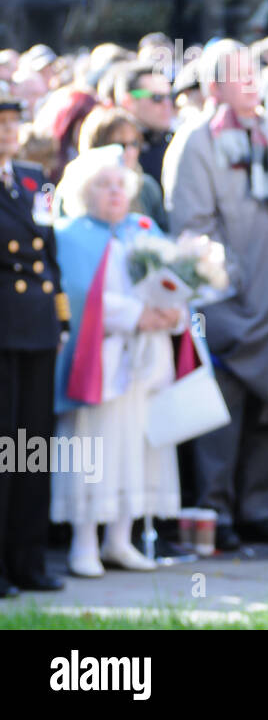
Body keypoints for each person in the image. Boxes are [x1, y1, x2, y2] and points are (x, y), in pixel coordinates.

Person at [163, 40, 268, 552]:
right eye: (239, 76)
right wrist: (236, 290)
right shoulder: (195, 142)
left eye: (253, 73)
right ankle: (216, 511)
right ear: (213, 86)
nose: (252, 83)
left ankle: (258, 507)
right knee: (224, 414)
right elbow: (192, 229)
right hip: (229, 307)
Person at [49, 146, 184, 577]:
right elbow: (77, 299)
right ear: (85, 192)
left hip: (147, 360)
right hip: (101, 362)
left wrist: (173, 313)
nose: (113, 193)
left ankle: (120, 540)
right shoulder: (69, 236)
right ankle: (84, 544)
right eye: (103, 185)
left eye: (118, 185)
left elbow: (177, 284)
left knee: (140, 449)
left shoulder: (143, 230)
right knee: (94, 450)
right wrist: (134, 315)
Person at [0, 87, 67, 596]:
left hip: (38, 326)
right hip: (3, 325)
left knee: (32, 449)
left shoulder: (34, 178)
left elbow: (52, 256)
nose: (7, 132)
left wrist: (60, 320)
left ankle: (28, 559)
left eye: (12, 122)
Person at [76, 105, 167, 231]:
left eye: (134, 143)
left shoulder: (147, 188)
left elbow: (161, 236)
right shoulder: (75, 187)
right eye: (120, 144)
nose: (129, 152)